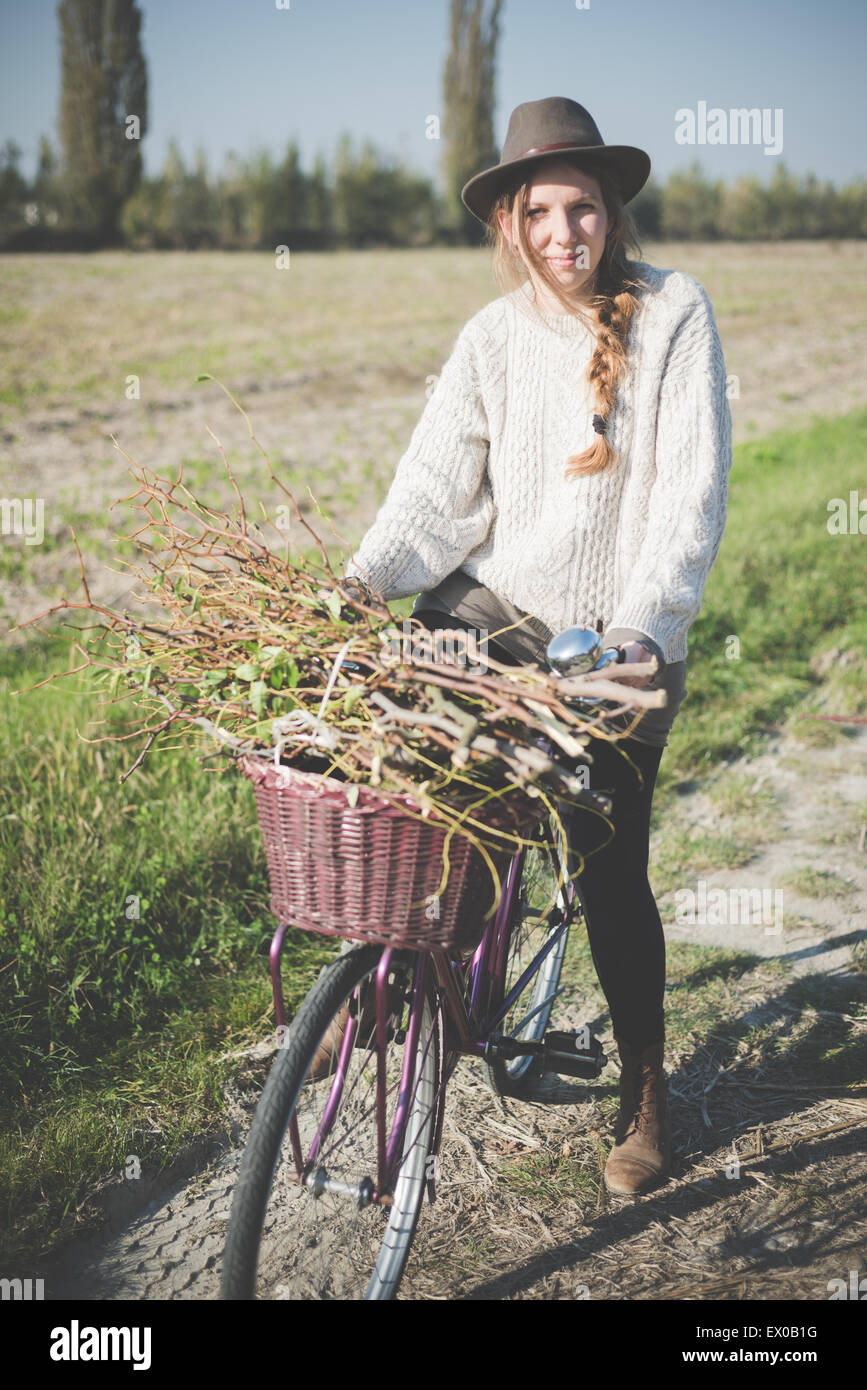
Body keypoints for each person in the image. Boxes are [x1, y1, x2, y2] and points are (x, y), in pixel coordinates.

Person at [342, 97, 733, 1197]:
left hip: (618, 643)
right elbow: (432, 498)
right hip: (499, 617)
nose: (565, 232)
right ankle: (394, 995)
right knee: (441, 810)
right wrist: (360, 580)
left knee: (609, 871)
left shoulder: (674, 314)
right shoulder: (489, 337)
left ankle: (646, 1092)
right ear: (509, 223)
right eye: (541, 211)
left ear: (612, 216)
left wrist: (643, 632)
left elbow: (686, 501)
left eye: (586, 209)